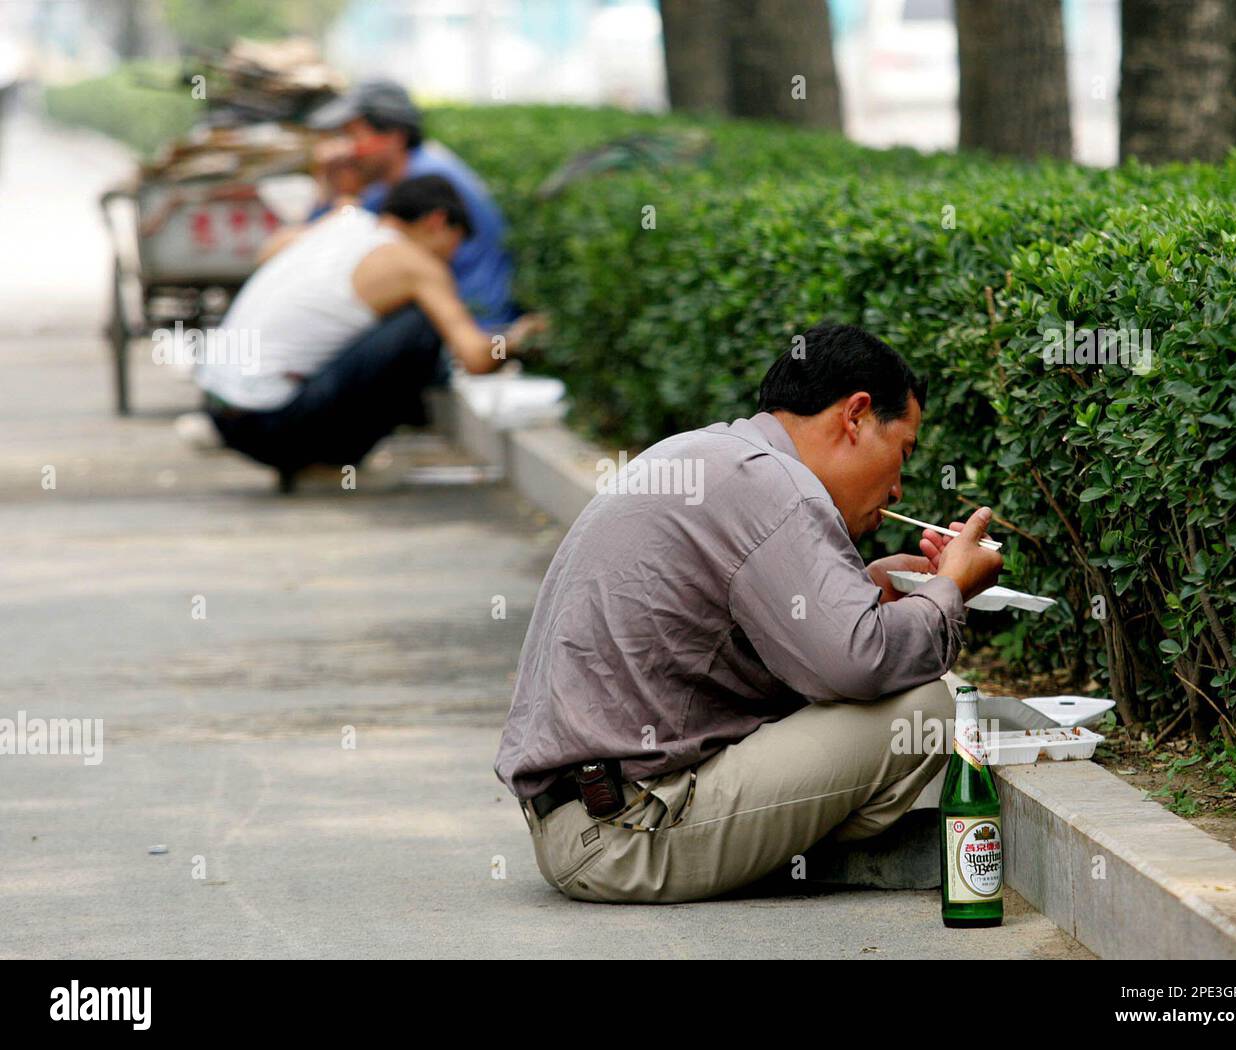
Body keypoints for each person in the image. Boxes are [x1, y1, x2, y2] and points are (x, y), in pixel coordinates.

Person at [494, 323, 1004, 903]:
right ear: (856, 415)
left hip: (581, 820)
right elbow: (857, 664)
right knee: (922, 707)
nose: (897, 491)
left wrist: (872, 588)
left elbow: (755, 636)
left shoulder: (715, 455)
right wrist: (950, 592)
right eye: (902, 453)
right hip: (625, 836)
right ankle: (795, 855)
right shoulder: (778, 487)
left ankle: (776, 852)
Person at [195, 174, 545, 490]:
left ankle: (312, 460)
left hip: (219, 410)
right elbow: (475, 357)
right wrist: (517, 339)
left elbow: (266, 252)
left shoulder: (343, 224)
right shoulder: (413, 263)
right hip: (272, 423)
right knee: (422, 326)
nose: (451, 258)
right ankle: (332, 463)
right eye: (454, 242)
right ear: (437, 222)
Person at [299, 79, 516, 329]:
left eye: (353, 136)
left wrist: (331, 188)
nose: (347, 150)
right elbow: (320, 243)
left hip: (477, 324)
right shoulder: (399, 176)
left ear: (394, 137)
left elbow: (328, 244)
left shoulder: (424, 181)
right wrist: (330, 184)